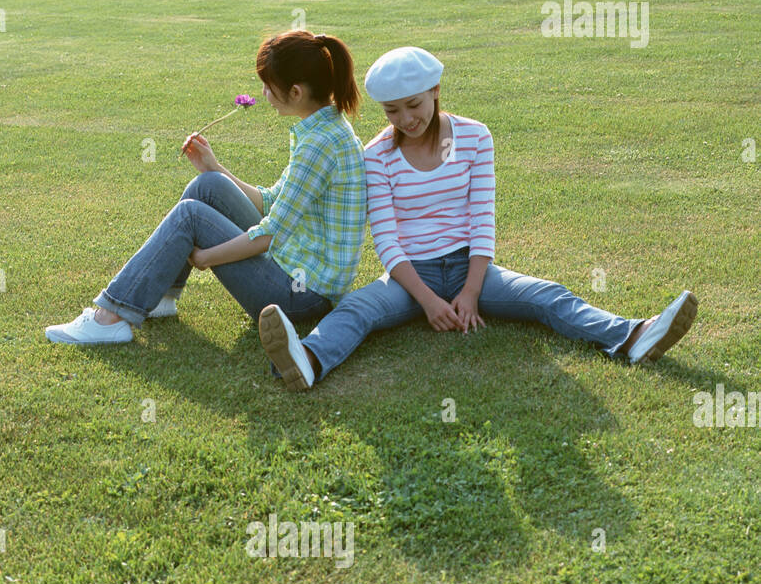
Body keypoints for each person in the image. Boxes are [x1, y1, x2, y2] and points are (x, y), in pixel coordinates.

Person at [256, 46, 698, 390]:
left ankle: (634, 336)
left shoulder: (474, 136)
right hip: (413, 277)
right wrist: (429, 302)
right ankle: (308, 361)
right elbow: (387, 240)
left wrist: (470, 292)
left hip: (474, 268)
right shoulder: (378, 155)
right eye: (392, 111)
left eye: (413, 104)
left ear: (435, 91)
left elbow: (482, 218)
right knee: (357, 309)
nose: (406, 119)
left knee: (548, 297)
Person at [45, 30, 367, 345]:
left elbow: (269, 234)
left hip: (300, 296)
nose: (264, 95)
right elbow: (270, 202)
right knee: (208, 185)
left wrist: (206, 256)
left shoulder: (319, 146)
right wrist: (215, 167)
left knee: (191, 216)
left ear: (295, 92)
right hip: (296, 271)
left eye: (268, 87)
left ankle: (109, 319)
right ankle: (162, 297)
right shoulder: (325, 128)